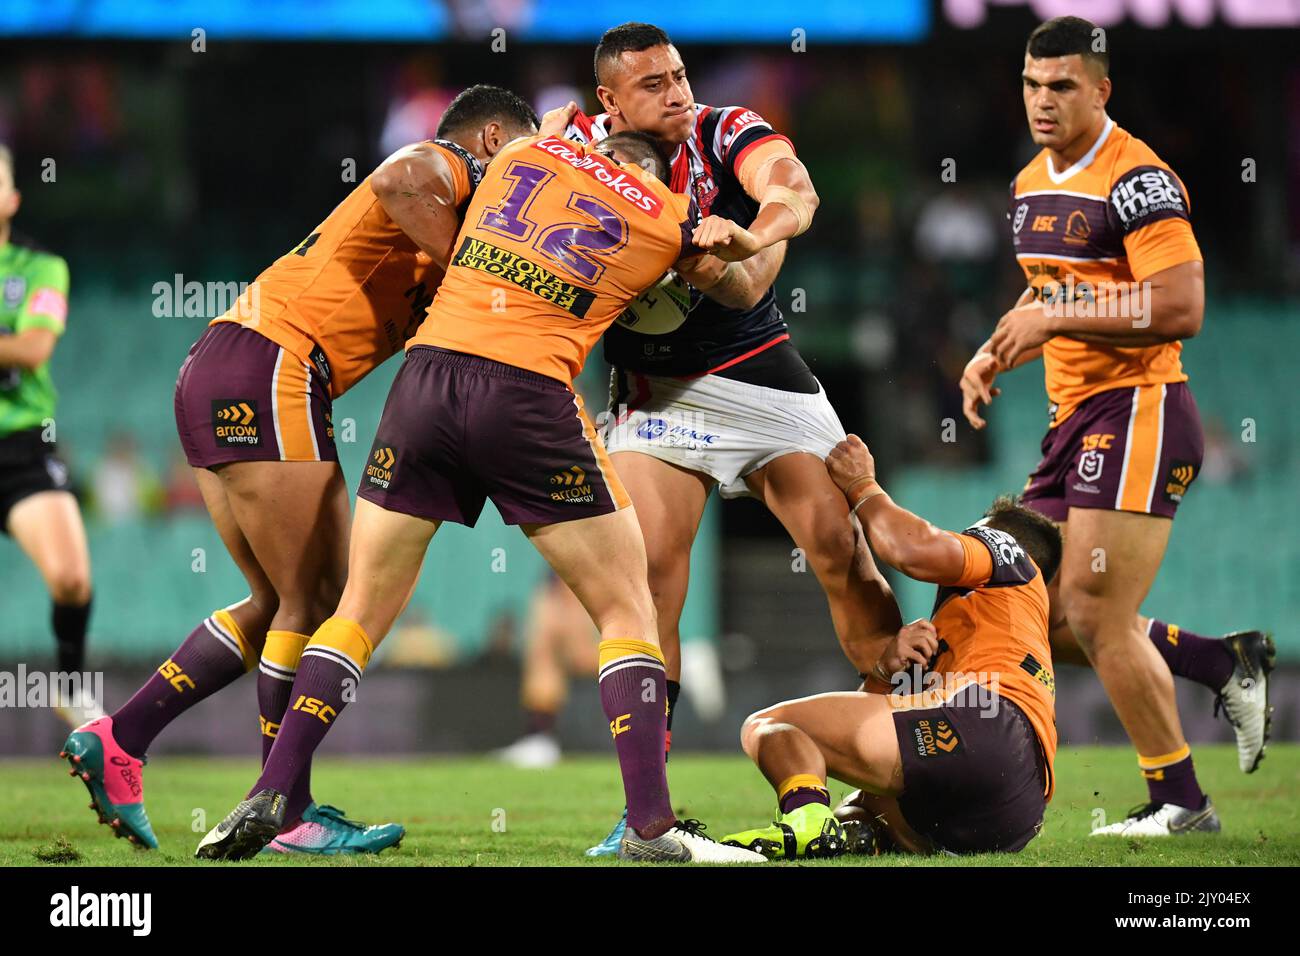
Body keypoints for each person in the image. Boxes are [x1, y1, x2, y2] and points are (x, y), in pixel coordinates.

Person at [196, 130, 771, 863]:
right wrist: (766, 220)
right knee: (630, 606)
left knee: (358, 609)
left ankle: (272, 791)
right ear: (656, 175)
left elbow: (420, 175)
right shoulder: (662, 212)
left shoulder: (520, 157)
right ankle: (652, 830)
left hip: (426, 379)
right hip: (528, 392)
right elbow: (744, 286)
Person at [59, 85, 546, 854]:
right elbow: (396, 176)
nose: (532, 178)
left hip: (231, 365)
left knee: (283, 599)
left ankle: (121, 740)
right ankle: (287, 809)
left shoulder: (451, 220)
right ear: (492, 139)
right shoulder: (451, 164)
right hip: (275, 364)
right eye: (524, 157)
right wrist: (468, 262)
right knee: (320, 597)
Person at [567, 21, 903, 856]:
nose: (677, 92)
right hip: (657, 397)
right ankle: (646, 809)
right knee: (647, 581)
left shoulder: (726, 132)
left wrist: (754, 233)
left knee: (845, 557)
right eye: (653, 84)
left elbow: (796, 189)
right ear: (609, 101)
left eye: (679, 75)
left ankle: (891, 770)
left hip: (762, 379)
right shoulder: (573, 149)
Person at [958, 16, 1272, 837]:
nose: (1043, 101)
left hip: (1140, 411)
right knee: (1039, 612)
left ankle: (1181, 803)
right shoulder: (1030, 183)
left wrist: (1056, 316)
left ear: (1101, 89)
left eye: (1061, 85)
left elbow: (1181, 305)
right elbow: (1053, 293)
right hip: (1072, 424)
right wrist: (995, 351)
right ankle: (1214, 659)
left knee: (1094, 616)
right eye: (1031, 85)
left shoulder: (1139, 179)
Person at [722, 435, 1062, 857]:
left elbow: (909, 548)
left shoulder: (1011, 554)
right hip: (1014, 813)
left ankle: (804, 822)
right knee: (860, 810)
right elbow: (863, 742)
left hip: (984, 729)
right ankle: (844, 835)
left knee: (768, 726)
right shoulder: (995, 634)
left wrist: (863, 485)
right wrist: (885, 672)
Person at [0, 143, 98, 729]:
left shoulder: (40, 268)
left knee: (71, 577)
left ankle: (69, 683)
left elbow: (33, 348)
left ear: (11, 198)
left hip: (18, 446)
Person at [494, 572, 599, 769]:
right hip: (565, 686)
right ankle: (539, 737)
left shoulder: (580, 600)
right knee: (542, 656)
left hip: (599, 678)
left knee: (546, 659)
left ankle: (542, 737)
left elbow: (581, 657)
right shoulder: (549, 598)